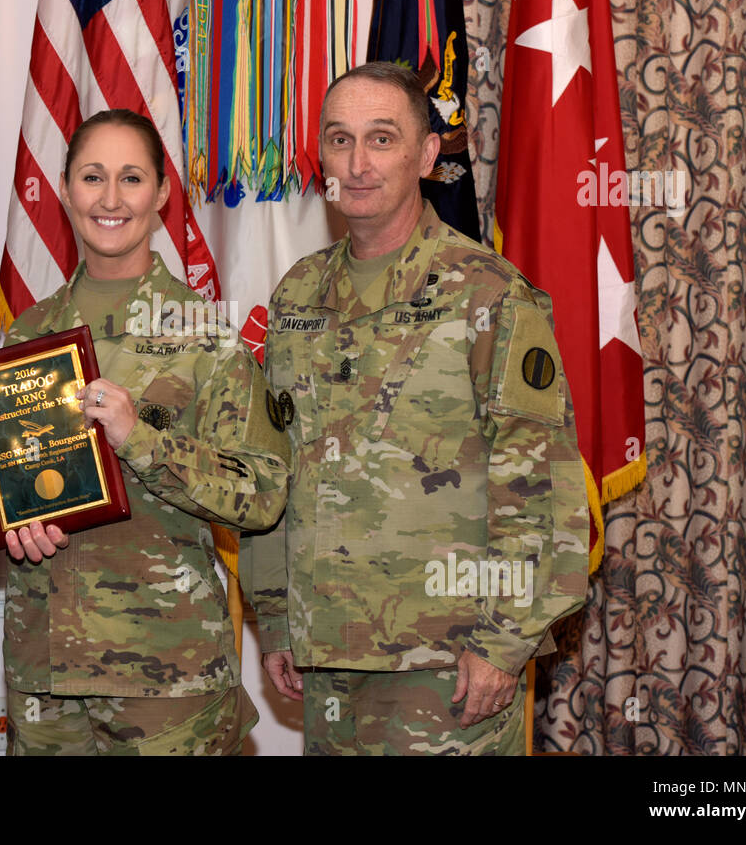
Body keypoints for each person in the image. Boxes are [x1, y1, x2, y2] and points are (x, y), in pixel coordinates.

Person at [241, 62, 590, 755]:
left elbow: (540, 485)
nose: (358, 163)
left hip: (448, 664)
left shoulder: (488, 293)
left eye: (382, 139)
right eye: (339, 140)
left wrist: (504, 642)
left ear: (427, 154)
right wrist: (277, 619)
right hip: (328, 655)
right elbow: (273, 467)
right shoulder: (298, 295)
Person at [0, 109, 291, 755]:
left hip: (167, 672)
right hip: (43, 670)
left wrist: (142, 440)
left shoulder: (204, 336)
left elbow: (264, 490)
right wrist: (2, 516)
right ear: (65, 187)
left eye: (131, 178)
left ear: (161, 193)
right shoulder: (27, 337)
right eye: (92, 177)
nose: (110, 199)